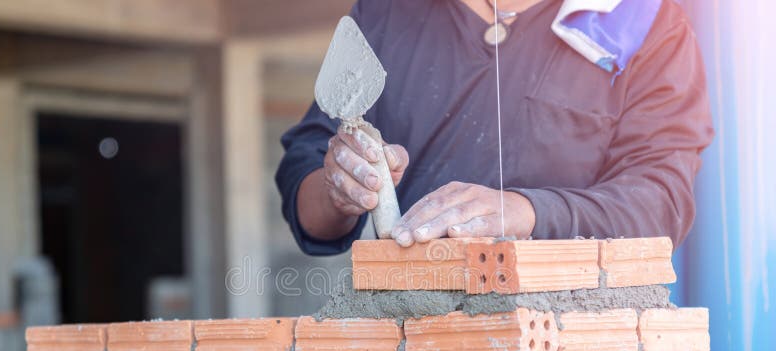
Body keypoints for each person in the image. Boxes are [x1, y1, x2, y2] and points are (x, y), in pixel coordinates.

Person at [275, 0, 714, 255]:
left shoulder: (642, 21)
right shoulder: (390, 10)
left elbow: (661, 204)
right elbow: (306, 185)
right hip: (411, 343)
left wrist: (526, 212)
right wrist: (342, 189)